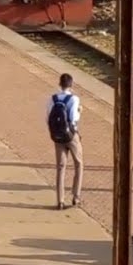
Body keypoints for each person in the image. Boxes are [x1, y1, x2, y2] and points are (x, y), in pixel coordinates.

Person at [47, 73, 83, 210]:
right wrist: (80, 111)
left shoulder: (52, 99)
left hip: (57, 136)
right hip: (71, 136)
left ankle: (60, 200)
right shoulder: (74, 99)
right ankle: (76, 196)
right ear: (71, 85)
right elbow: (73, 118)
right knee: (78, 163)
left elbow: (47, 118)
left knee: (61, 167)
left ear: (59, 84)